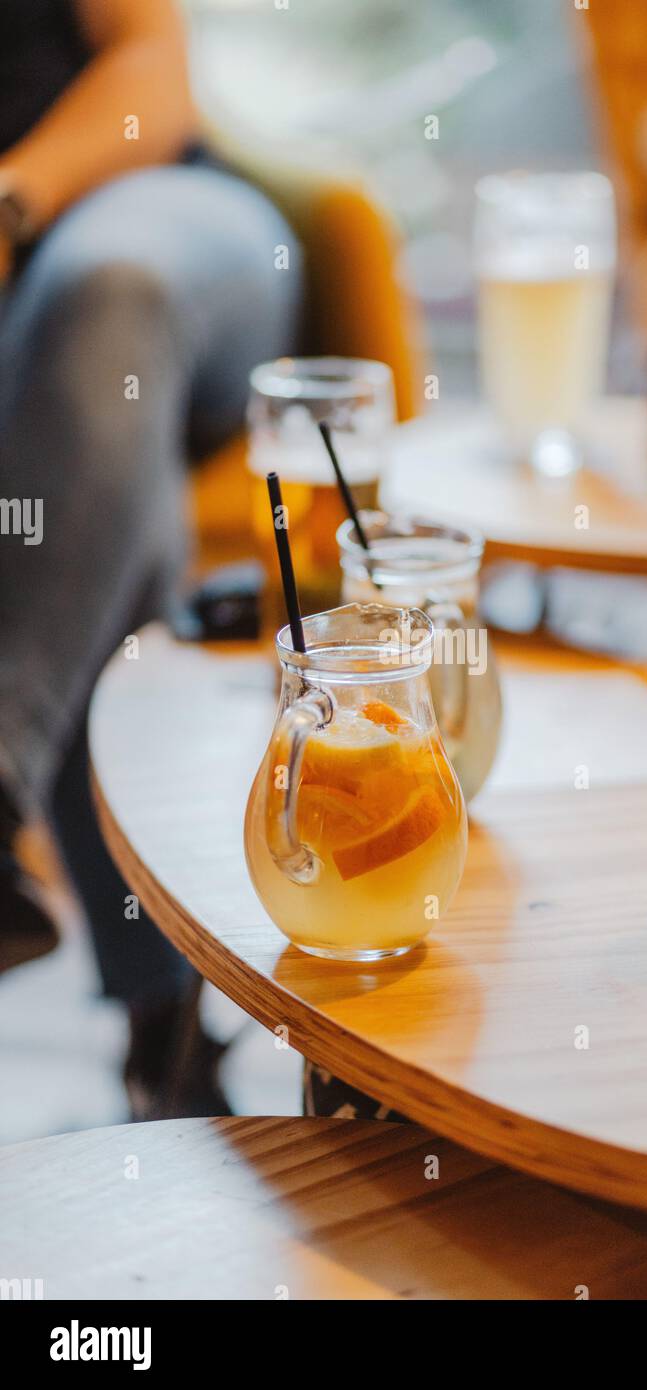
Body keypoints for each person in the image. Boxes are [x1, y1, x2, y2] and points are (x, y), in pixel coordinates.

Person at [0, 0, 303, 1113]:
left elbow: (152, 66)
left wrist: (13, 196)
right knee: (92, 488)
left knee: (103, 303)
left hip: (142, 213)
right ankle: (163, 1036)